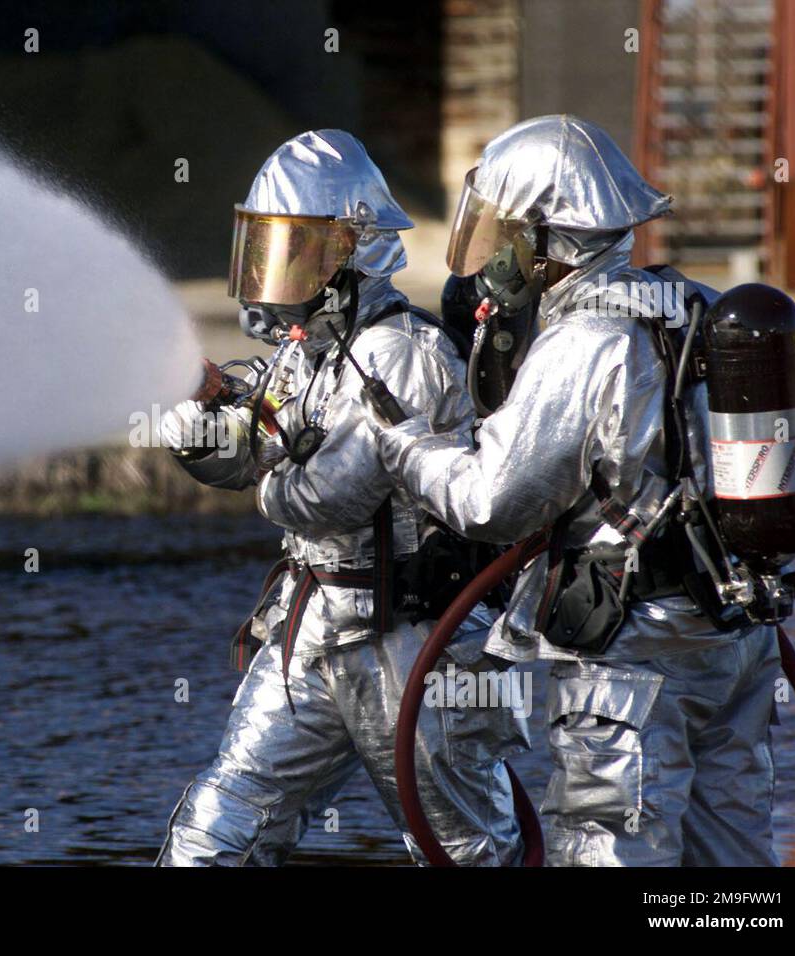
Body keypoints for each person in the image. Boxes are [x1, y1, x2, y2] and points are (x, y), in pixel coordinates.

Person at [372, 114, 780, 866]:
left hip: (629, 662)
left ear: (547, 240)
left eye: (505, 234)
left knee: (607, 848)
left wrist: (407, 448)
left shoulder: (582, 342)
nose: (490, 258)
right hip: (732, 639)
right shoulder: (686, 301)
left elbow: (491, 503)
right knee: (729, 857)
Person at [155, 129, 526, 867]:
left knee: (463, 851)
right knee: (219, 825)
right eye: (269, 246)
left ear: (350, 248)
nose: (277, 269)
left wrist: (264, 470)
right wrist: (196, 421)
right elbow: (252, 444)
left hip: (412, 641)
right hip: (312, 630)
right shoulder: (305, 350)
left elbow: (328, 497)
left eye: (296, 247)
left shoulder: (404, 354)